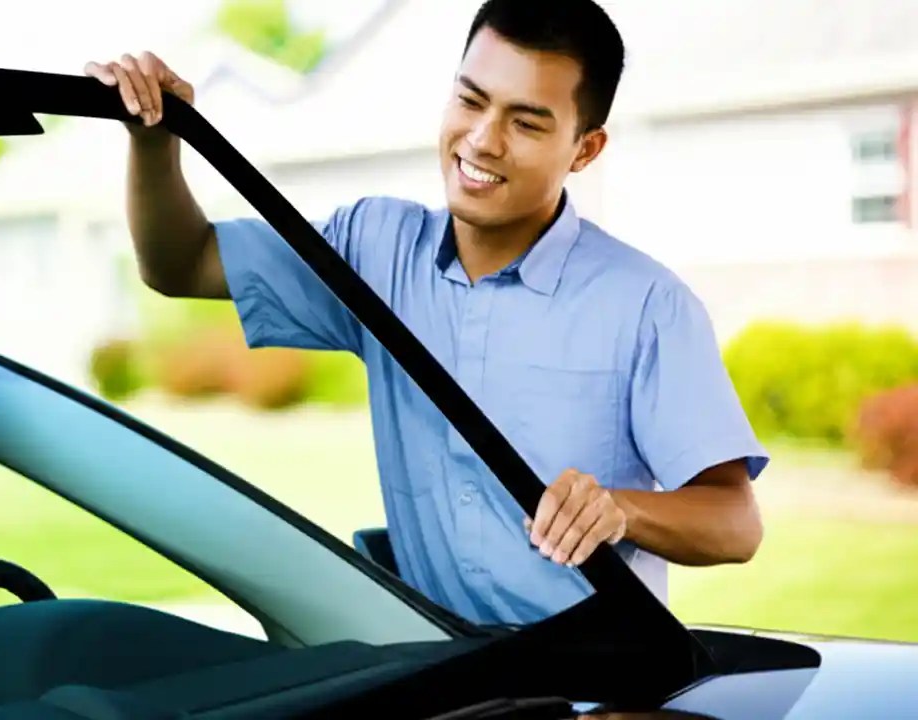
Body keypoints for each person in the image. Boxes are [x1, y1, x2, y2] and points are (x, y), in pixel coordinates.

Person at [83, 0, 768, 626]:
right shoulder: (374, 250)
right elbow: (181, 264)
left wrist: (621, 509)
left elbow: (735, 523)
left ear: (584, 149)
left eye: (526, 122)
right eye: (470, 101)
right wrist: (153, 139)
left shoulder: (647, 305)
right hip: (435, 677)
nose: (483, 140)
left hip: (593, 690)